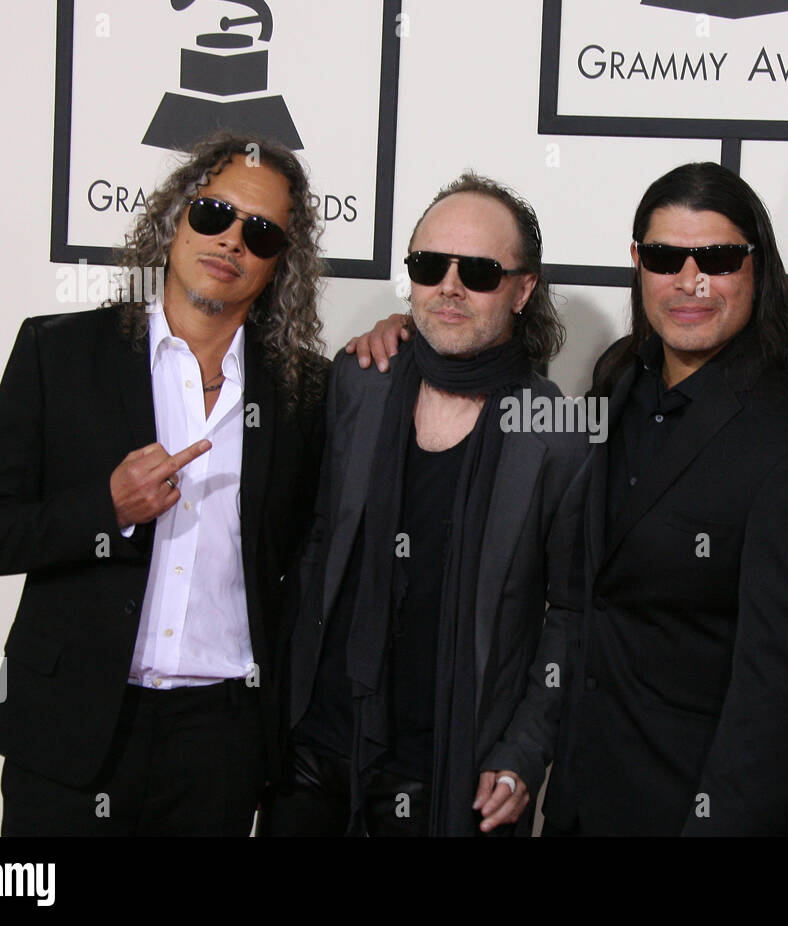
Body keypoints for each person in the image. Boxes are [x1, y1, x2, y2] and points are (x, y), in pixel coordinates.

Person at [351, 162, 788, 835]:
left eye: (720, 258)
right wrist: (410, 328)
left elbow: (783, 690)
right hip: (582, 802)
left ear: (757, 268)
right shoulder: (619, 381)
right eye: (667, 256)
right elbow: (578, 599)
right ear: (639, 263)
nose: (691, 280)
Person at [0, 132, 329, 835]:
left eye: (262, 231)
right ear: (174, 218)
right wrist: (107, 508)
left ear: (283, 262)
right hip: (70, 734)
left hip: (219, 743)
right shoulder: (58, 352)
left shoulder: (306, 393)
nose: (231, 242)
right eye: (213, 213)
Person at [261, 173, 587, 837]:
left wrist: (525, 750)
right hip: (313, 751)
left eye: (481, 271)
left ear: (524, 289)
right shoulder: (360, 379)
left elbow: (573, 614)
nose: (450, 287)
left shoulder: (555, 434)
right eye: (430, 265)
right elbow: (306, 540)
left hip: (450, 769)